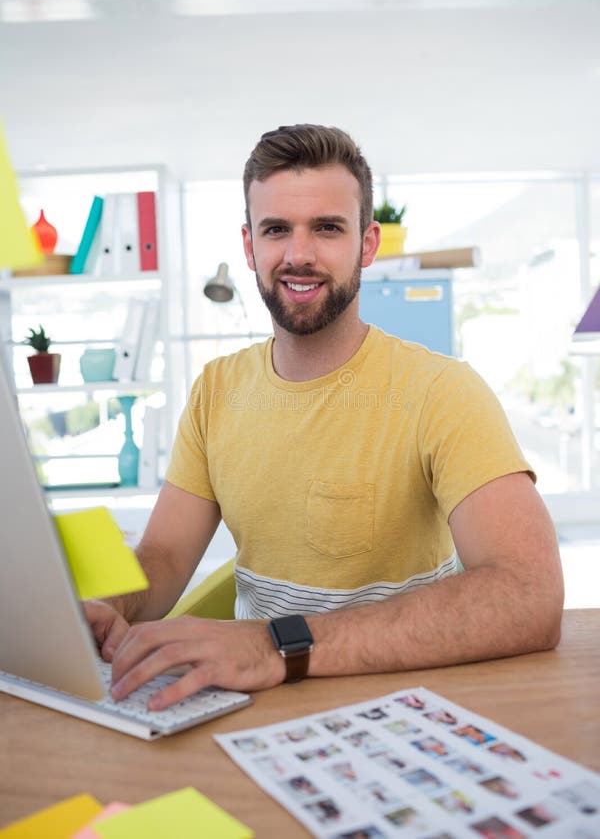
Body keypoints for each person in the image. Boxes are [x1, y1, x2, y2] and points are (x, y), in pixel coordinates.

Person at [85, 124, 564, 711]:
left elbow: (529, 594)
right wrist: (111, 606)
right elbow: (162, 557)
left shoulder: (443, 391)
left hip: (407, 709)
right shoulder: (215, 390)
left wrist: (274, 646)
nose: (299, 254)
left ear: (367, 244)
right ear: (249, 245)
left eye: (328, 228)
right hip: (249, 708)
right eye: (277, 229)